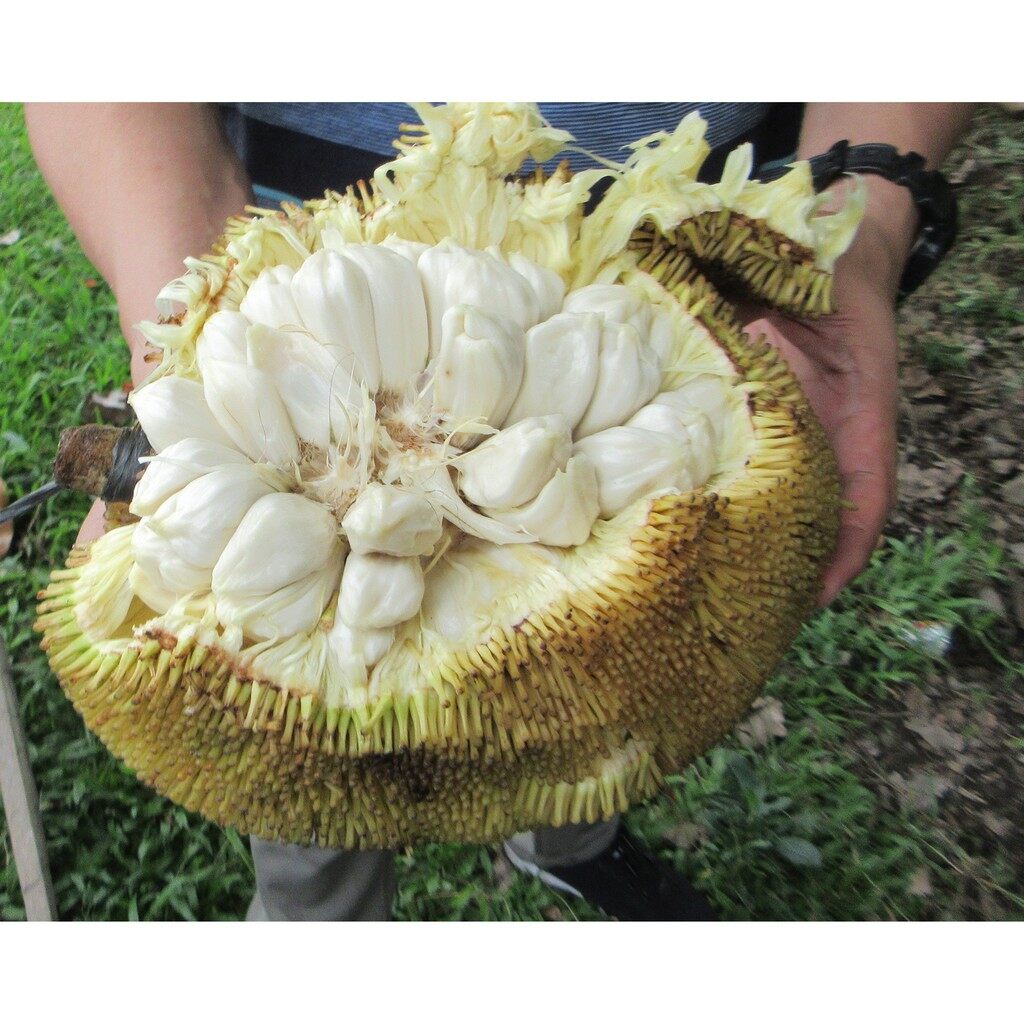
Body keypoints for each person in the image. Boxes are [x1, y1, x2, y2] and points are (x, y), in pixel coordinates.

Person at [25, 101, 974, 921]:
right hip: (283, 267)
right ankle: (316, 923)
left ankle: (571, 845)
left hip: (677, 286)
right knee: (312, 794)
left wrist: (866, 211)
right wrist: (175, 319)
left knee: (596, 707)